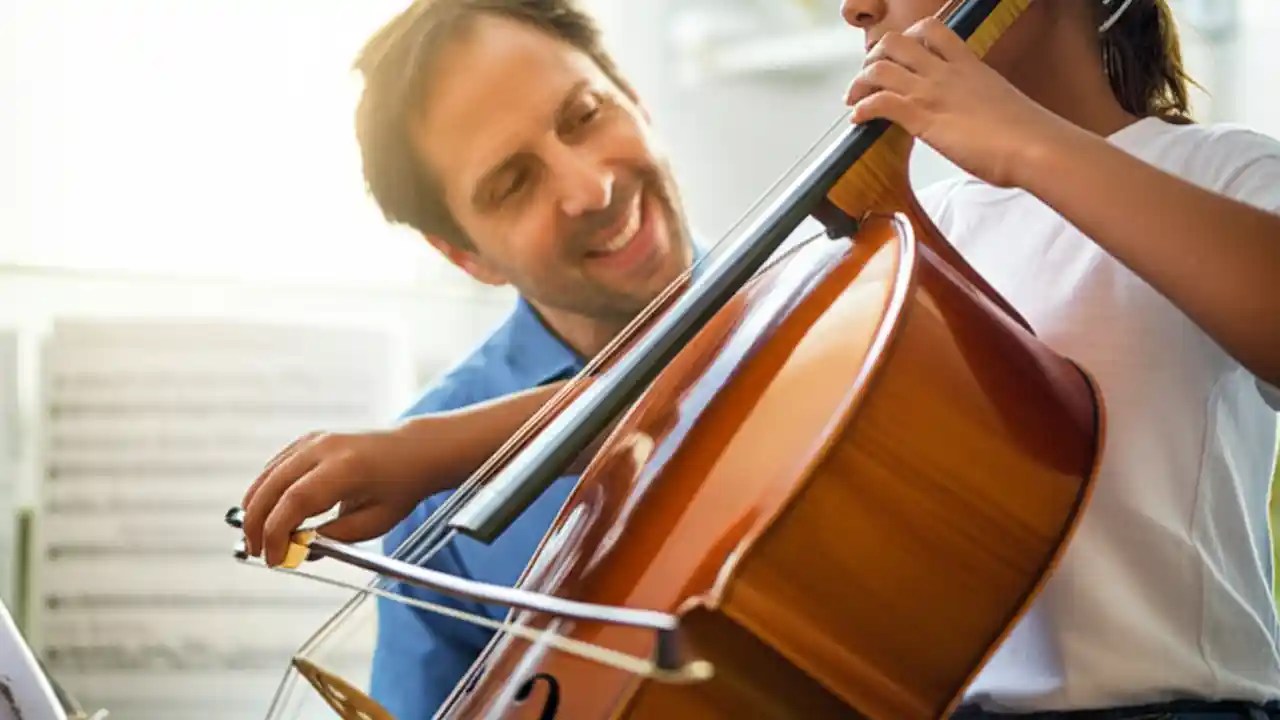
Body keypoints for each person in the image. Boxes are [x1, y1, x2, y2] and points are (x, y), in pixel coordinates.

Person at [240, 0, 1280, 717]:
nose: (847, 6)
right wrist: (429, 451)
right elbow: (692, 382)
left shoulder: (1213, 175)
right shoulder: (907, 221)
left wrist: (1026, 145)